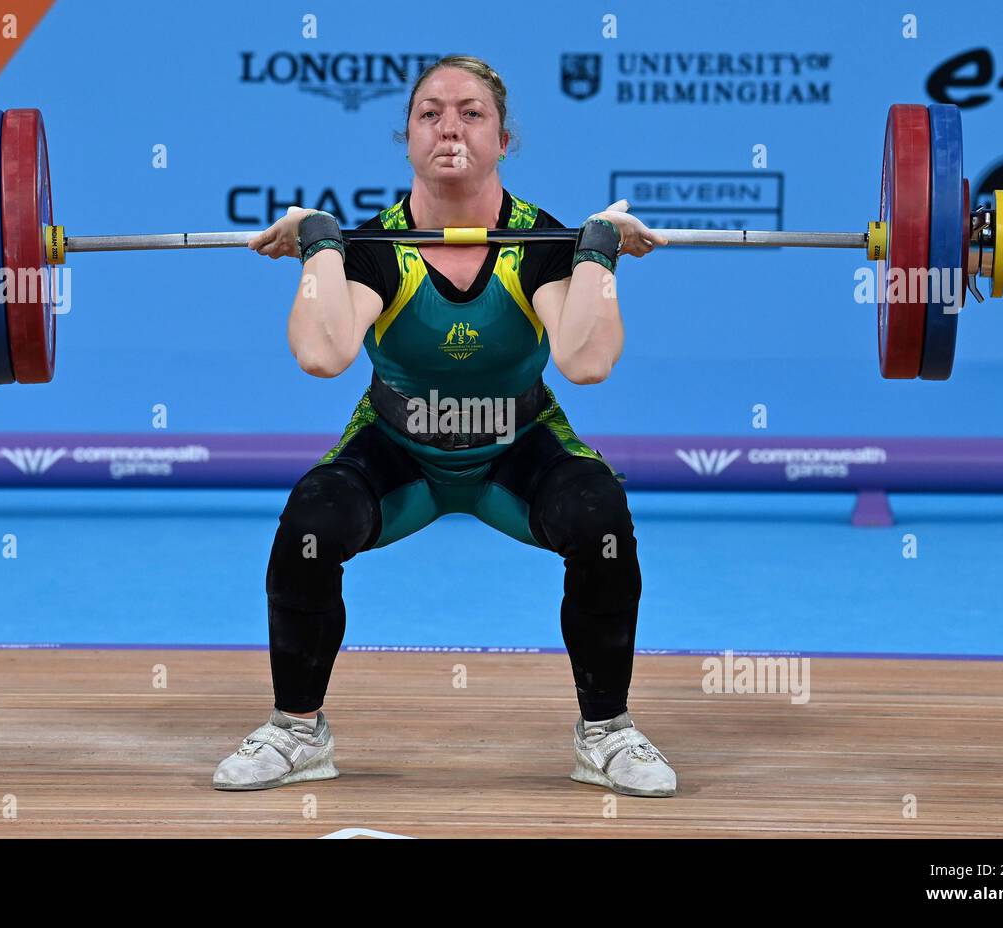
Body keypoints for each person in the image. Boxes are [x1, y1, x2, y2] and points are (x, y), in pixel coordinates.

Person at [214, 55, 675, 797]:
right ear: (407, 137)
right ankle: (298, 732)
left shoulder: (541, 245)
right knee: (311, 522)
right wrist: (323, 243)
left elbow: (586, 363)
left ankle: (607, 734)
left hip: (515, 450)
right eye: (430, 113)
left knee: (600, 518)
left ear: (503, 139)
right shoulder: (373, 250)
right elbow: (321, 354)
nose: (449, 127)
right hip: (399, 449)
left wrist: (597, 255)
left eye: (471, 113)